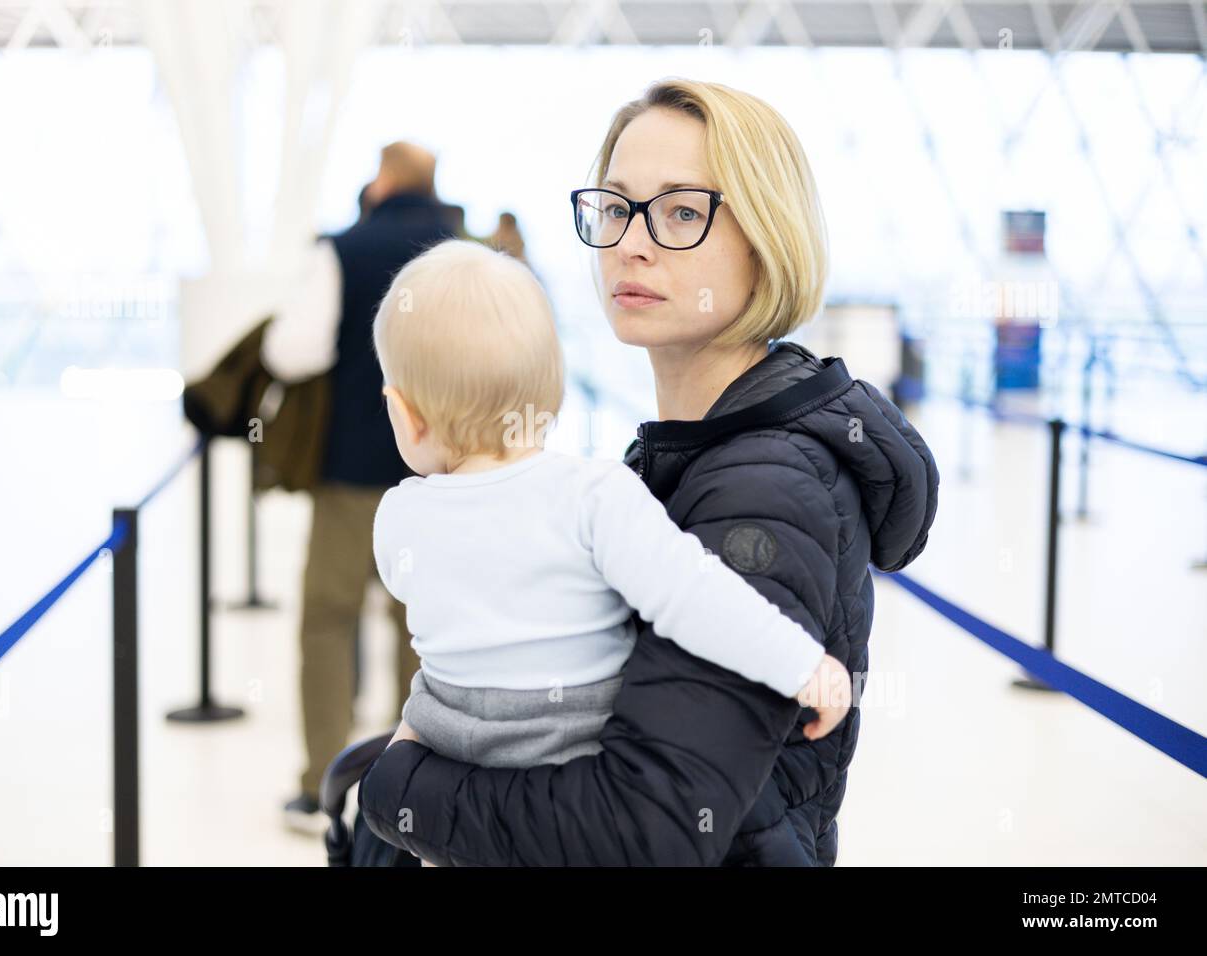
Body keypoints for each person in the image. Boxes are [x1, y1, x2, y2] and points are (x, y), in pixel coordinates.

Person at [358, 79, 939, 865]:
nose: (632, 242)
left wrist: (395, 791)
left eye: (681, 213)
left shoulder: (770, 491)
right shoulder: (674, 454)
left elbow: (641, 832)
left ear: (766, 240)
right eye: (616, 206)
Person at [368, 240, 850, 827]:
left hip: (448, 749)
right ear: (553, 390)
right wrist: (802, 664)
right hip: (571, 755)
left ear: (404, 413)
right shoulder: (594, 496)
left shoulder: (399, 518)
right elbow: (694, 597)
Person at [264, 141, 459, 834]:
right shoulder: (462, 254)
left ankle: (323, 780)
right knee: (423, 624)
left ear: (381, 180)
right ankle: (419, 772)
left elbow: (294, 351)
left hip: (351, 470)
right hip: (442, 474)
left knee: (329, 614)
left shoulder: (341, 250)